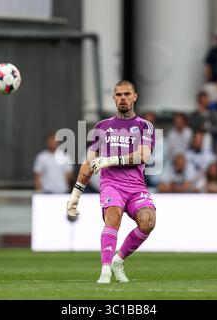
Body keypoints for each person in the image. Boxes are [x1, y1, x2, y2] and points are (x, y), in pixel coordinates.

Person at [66, 80, 156, 284]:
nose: (122, 98)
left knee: (148, 222)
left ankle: (118, 260)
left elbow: (143, 155)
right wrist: (75, 195)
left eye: (126, 94)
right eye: (118, 95)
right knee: (113, 216)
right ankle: (105, 270)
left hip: (135, 187)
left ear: (135, 96)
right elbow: (89, 163)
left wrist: (110, 160)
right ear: (114, 98)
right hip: (111, 185)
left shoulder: (144, 126)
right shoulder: (102, 127)